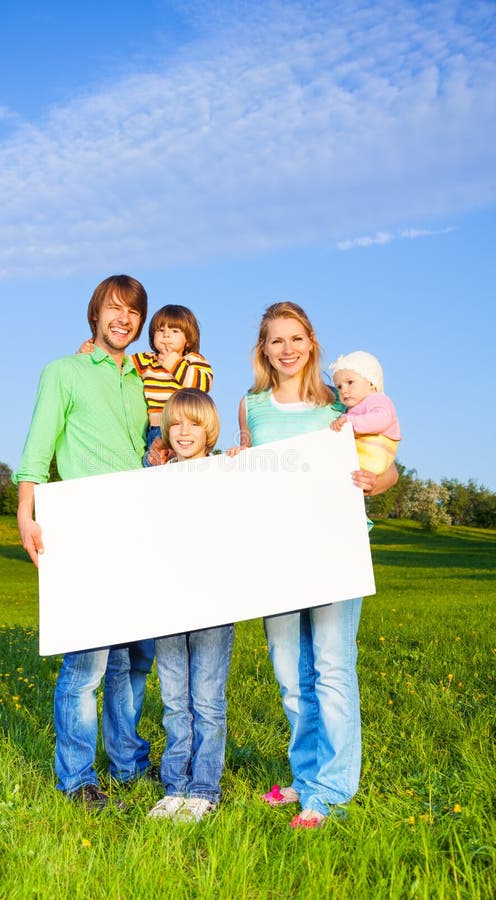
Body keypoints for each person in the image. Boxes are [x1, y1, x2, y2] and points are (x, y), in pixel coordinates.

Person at [234, 302, 398, 829]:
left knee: (331, 667)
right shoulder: (251, 405)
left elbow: (386, 462)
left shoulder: (340, 402)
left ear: (312, 343)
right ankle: (304, 778)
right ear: (264, 348)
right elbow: (245, 468)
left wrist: (378, 482)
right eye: (276, 340)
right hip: (273, 553)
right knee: (288, 674)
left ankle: (330, 791)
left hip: (334, 547)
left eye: (296, 338)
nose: (287, 349)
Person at [13, 274, 156, 811]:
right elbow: (38, 443)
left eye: (133, 312)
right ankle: (77, 780)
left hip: (137, 527)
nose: (123, 319)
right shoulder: (63, 371)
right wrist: (26, 512)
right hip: (85, 528)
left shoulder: (142, 380)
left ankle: (128, 765)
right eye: (114, 309)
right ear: (95, 314)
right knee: (88, 664)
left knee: (132, 659)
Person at [147, 389, 234, 822]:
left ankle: (204, 788)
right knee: (174, 700)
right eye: (176, 424)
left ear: (209, 430)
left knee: (207, 701)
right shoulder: (154, 477)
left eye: (193, 424)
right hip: (167, 601)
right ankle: (174, 786)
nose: (184, 432)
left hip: (213, 603)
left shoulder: (225, 471)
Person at [78, 304, 213, 463]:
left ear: (188, 340)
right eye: (161, 330)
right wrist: (91, 352)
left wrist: (174, 363)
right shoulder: (147, 360)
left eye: (174, 331)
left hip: (184, 427)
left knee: (186, 461)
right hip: (155, 428)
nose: (166, 336)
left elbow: (203, 385)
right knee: (149, 461)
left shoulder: (193, 360)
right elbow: (117, 363)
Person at [329, 350, 401, 474]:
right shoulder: (352, 409)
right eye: (339, 386)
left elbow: (382, 419)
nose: (343, 390)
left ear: (372, 383)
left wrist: (349, 421)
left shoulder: (377, 399)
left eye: (350, 382)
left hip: (375, 451)